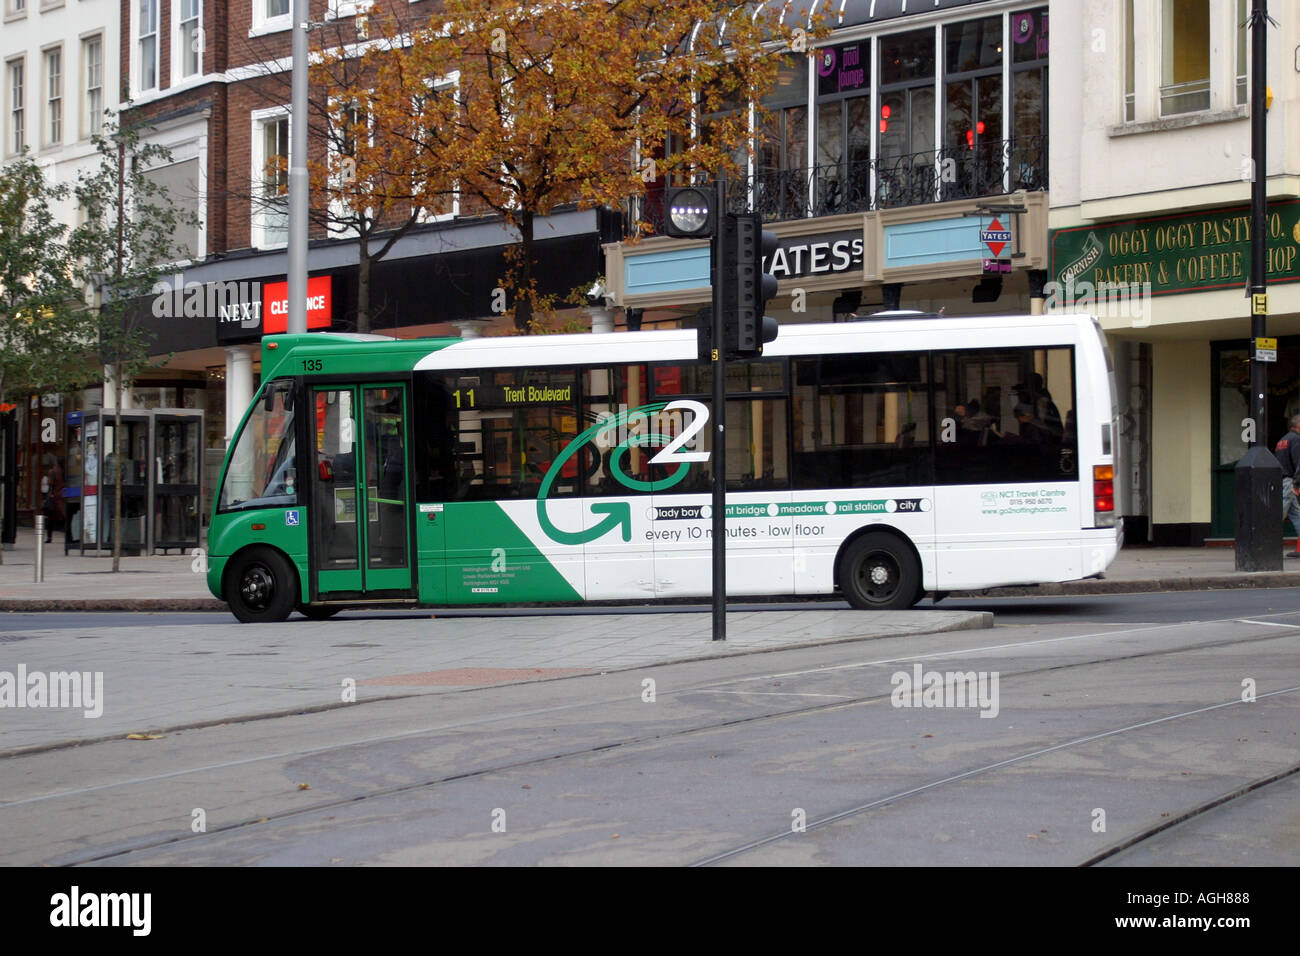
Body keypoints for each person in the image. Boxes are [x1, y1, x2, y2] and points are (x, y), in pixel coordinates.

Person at [1274, 414, 1300, 558]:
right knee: (1279, 514)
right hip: (1290, 481)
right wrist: (1297, 483)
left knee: (1296, 514)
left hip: (1282, 480)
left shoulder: (1282, 440)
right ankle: (1266, 542)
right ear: (1298, 425)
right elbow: (1299, 463)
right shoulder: (1297, 440)